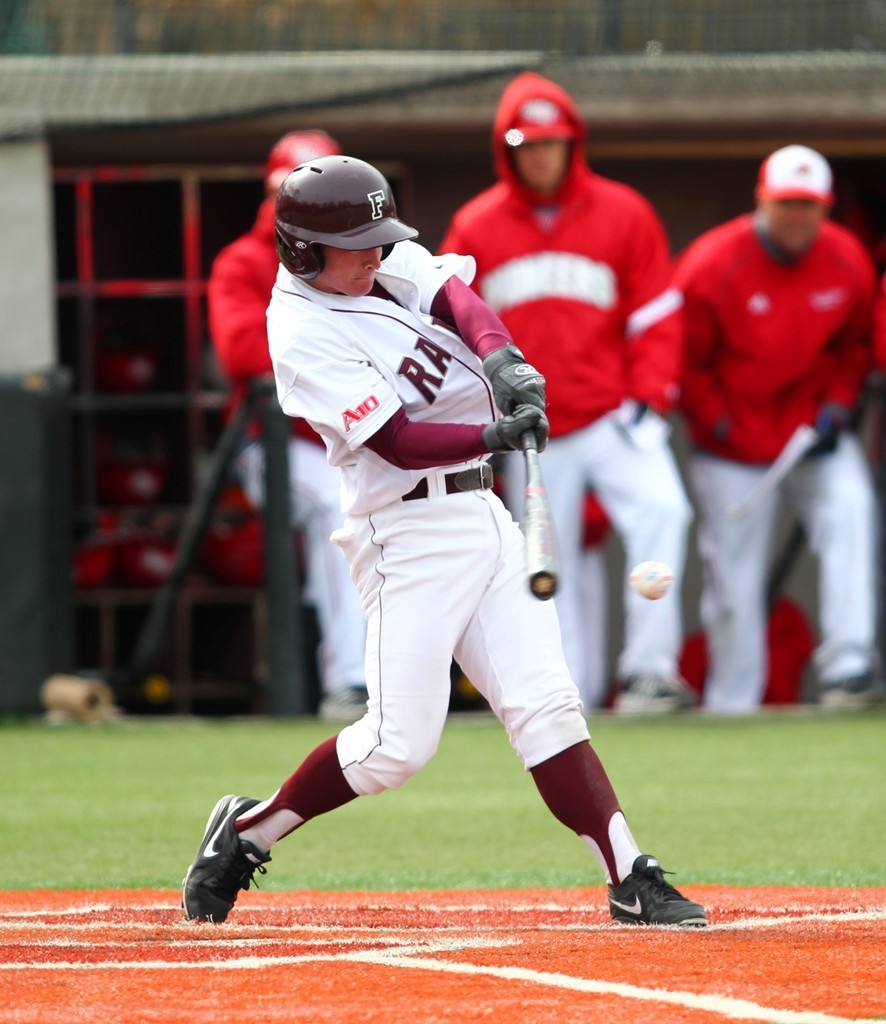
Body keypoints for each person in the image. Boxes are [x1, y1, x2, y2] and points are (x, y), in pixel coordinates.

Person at [181, 154, 707, 929]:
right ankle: (249, 832)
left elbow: (455, 295)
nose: (374, 254)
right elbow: (395, 440)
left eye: (377, 240)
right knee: (396, 747)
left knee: (548, 706)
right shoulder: (299, 331)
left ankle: (629, 874)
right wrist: (494, 433)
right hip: (405, 534)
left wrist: (503, 358)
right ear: (303, 252)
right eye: (354, 245)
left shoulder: (379, 264)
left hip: (481, 514)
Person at [439, 72, 694, 714]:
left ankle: (650, 672)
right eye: (526, 143)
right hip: (531, 428)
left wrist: (650, 393)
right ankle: (566, 691)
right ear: (507, 148)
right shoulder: (476, 224)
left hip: (611, 414)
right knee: (546, 564)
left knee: (666, 509)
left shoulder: (624, 212)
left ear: (572, 142)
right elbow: (447, 327)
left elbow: (657, 317)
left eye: (551, 141)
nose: (540, 155)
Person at [674, 144, 881, 712]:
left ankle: (848, 667)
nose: (796, 216)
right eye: (786, 203)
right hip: (732, 442)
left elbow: (853, 348)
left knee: (851, 509)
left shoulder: (847, 259)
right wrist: (719, 424)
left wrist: (838, 405)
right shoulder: (712, 262)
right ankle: (734, 702)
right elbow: (685, 361)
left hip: (808, 435)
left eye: (807, 205)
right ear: (761, 201)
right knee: (733, 579)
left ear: (825, 207)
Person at [207, 130, 369, 721]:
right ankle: (350, 682)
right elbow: (243, 354)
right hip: (269, 446)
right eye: (292, 194)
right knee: (335, 505)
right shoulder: (243, 262)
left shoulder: (364, 256)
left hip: (351, 438)